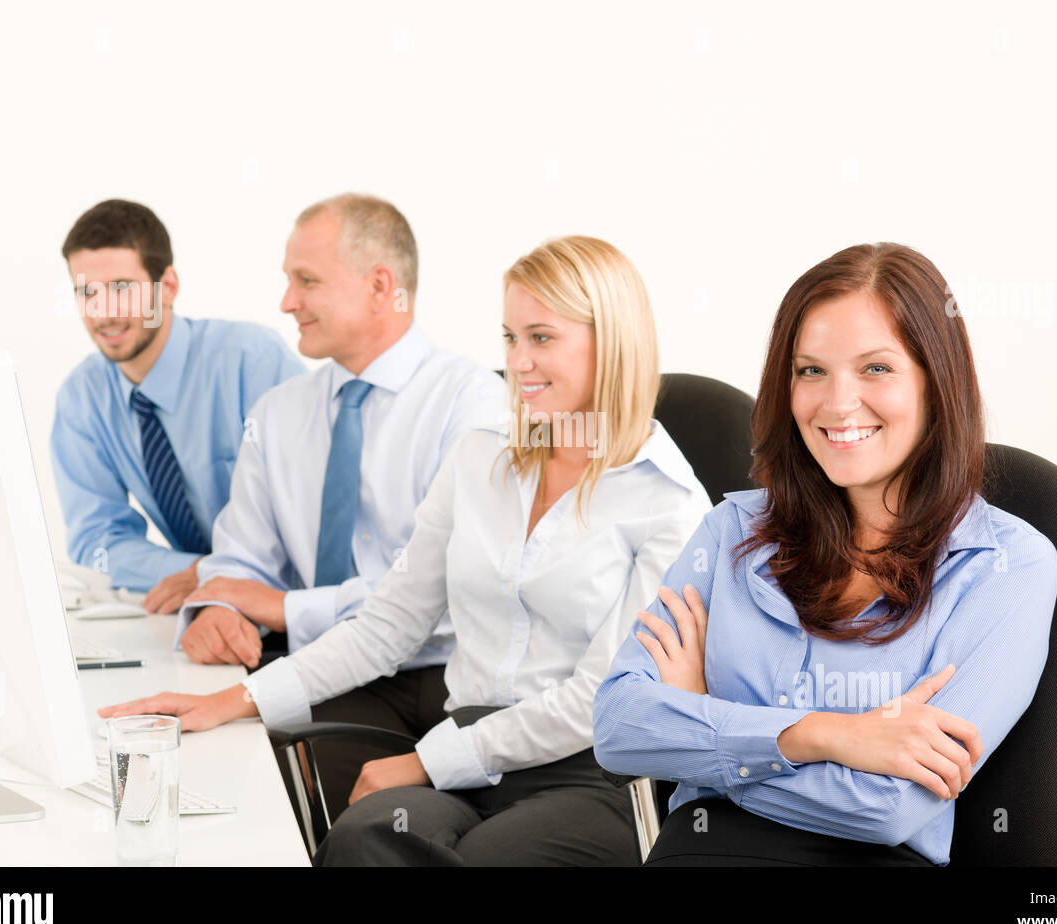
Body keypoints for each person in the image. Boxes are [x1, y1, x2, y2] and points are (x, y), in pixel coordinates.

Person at [100, 235, 712, 865]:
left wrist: (425, 760)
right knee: (368, 835)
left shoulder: (668, 502)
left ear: (610, 342)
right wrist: (229, 702)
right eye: (509, 338)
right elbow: (389, 624)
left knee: (487, 858)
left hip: (588, 772)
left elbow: (604, 696)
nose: (518, 362)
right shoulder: (481, 458)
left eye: (541, 337)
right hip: (469, 756)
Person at [593, 242, 1057, 867]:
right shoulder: (730, 532)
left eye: (875, 368)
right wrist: (827, 734)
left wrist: (706, 723)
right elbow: (619, 726)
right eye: (811, 371)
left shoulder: (1009, 565)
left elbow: (889, 806)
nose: (838, 404)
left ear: (936, 381)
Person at [170, 193, 507, 687]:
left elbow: (461, 594)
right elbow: (240, 561)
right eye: (288, 281)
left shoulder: (472, 403)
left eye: (307, 281)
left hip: (444, 681)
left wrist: (286, 608)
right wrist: (217, 611)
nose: (288, 302)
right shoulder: (278, 413)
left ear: (379, 286)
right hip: (313, 670)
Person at [51, 199, 305, 611]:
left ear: (167, 286)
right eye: (86, 292)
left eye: (121, 289)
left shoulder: (252, 362)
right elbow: (96, 541)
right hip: (195, 610)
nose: (103, 313)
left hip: (292, 607)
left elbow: (311, 516)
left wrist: (224, 575)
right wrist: (206, 572)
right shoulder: (83, 398)